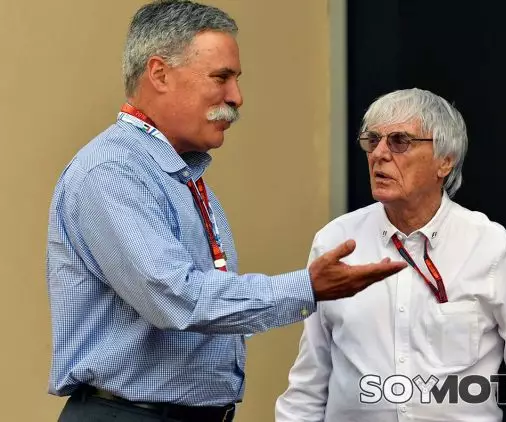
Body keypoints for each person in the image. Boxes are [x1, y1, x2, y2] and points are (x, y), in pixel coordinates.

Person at [45, 1, 407, 421]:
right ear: (159, 74)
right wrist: (306, 288)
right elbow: (177, 298)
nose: (236, 97)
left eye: (235, 80)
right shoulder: (112, 172)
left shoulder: (175, 174)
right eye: (221, 78)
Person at [275, 88, 506, 421]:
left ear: (444, 162)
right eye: (373, 141)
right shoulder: (336, 241)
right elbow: (308, 383)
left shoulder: (491, 247)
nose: (380, 154)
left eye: (400, 141)